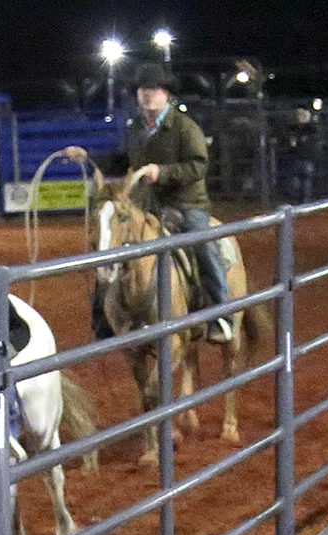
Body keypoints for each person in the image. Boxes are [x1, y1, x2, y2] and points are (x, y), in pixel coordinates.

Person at [61, 63, 232, 341]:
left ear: (166, 94)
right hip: (146, 204)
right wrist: (88, 155)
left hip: (185, 204)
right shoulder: (137, 128)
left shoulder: (185, 128)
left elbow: (198, 166)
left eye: (154, 90)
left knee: (203, 245)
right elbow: (123, 160)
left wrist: (161, 172)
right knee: (112, 245)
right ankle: (104, 316)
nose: (148, 95)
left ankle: (222, 316)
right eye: (143, 90)